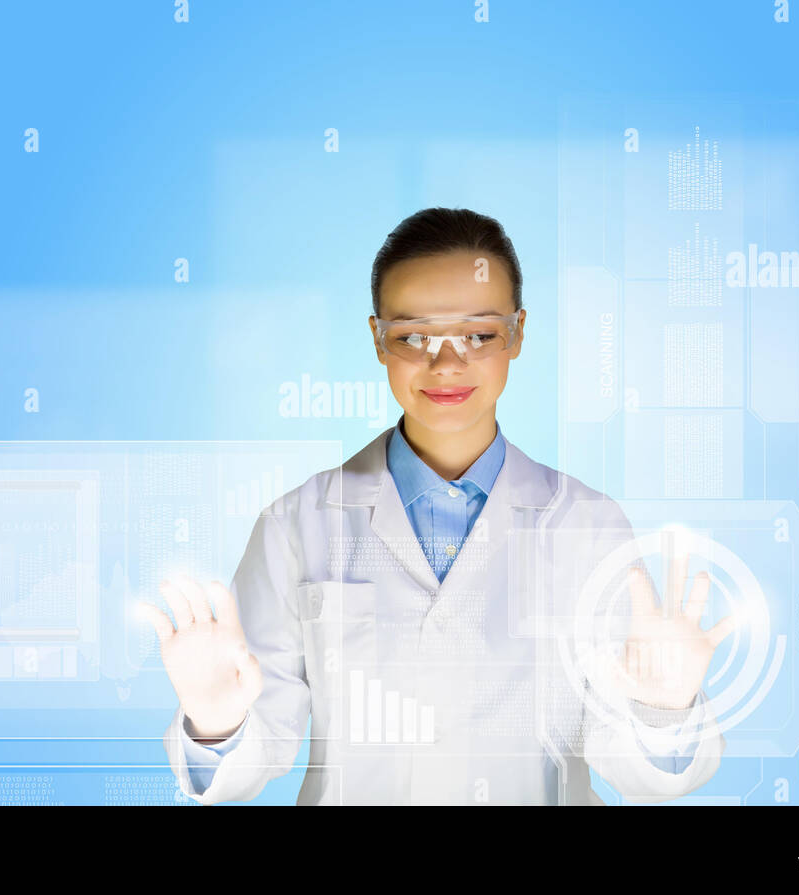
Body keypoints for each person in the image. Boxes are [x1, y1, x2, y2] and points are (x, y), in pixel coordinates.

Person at [139, 207, 735, 805]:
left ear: (518, 332)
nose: (446, 364)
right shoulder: (297, 525)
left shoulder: (587, 525)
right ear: (377, 338)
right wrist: (215, 723)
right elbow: (250, 756)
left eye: (479, 334)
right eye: (413, 337)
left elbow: (638, 771)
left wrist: (662, 709)